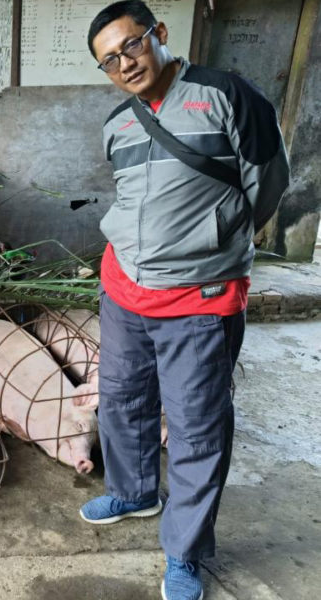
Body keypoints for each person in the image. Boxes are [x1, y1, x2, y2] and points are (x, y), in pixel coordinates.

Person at [80, 2, 290, 599]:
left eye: (131, 46)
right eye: (109, 61)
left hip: (200, 295)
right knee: (121, 399)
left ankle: (185, 551)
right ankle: (135, 491)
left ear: (159, 35)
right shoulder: (117, 124)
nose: (124, 64)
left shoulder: (228, 95)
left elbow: (268, 181)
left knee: (197, 427)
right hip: (124, 288)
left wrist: (221, 240)